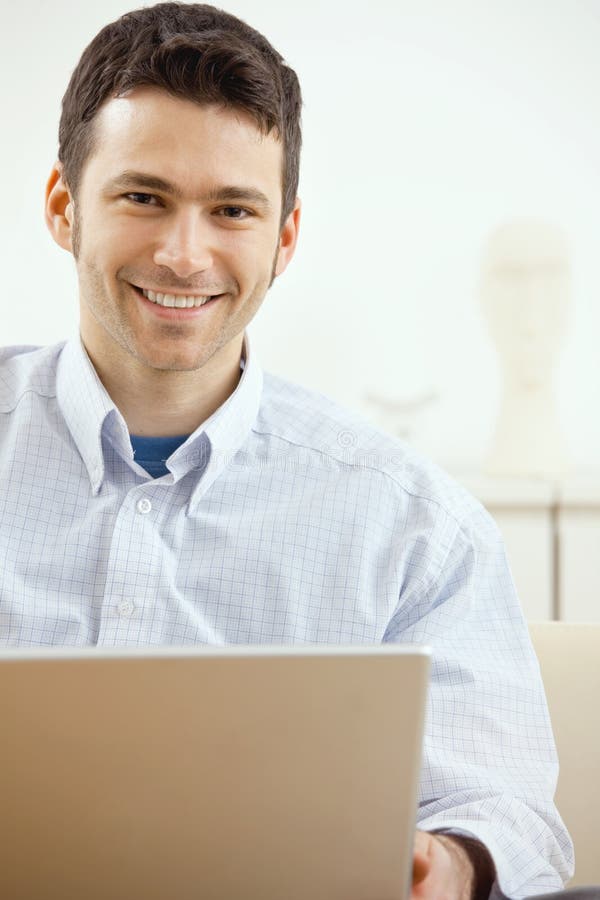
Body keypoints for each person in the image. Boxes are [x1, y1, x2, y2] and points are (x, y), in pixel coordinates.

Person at [0, 3, 584, 898]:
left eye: (231, 209)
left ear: (285, 241)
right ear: (62, 206)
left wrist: (453, 862)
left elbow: (508, 813)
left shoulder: (419, 529)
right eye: (143, 196)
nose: (183, 254)